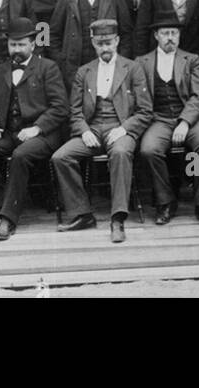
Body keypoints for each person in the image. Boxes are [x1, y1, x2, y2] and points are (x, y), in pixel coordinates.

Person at [0, 17, 69, 241]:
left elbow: (61, 107)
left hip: (43, 136)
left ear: (33, 44)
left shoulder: (48, 68)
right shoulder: (1, 70)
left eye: (21, 44)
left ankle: (8, 220)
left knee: (20, 155)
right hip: (10, 133)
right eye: (13, 44)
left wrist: (37, 128)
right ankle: (4, 205)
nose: (17, 50)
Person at [52, 19, 153, 243]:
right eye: (100, 43)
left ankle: (117, 217)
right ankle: (82, 213)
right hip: (93, 128)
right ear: (93, 43)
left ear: (117, 41)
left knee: (119, 153)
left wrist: (125, 128)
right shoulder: (84, 71)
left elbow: (145, 111)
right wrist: (84, 129)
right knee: (61, 156)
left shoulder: (132, 68)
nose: (105, 48)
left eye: (109, 42)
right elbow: (75, 110)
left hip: (121, 128)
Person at [134, 8, 199, 226]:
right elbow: (140, 100)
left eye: (174, 33)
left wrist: (184, 122)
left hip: (192, 117)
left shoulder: (192, 60)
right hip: (159, 118)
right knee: (149, 150)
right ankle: (166, 201)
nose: (170, 38)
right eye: (165, 33)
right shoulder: (142, 62)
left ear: (179, 36)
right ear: (156, 36)